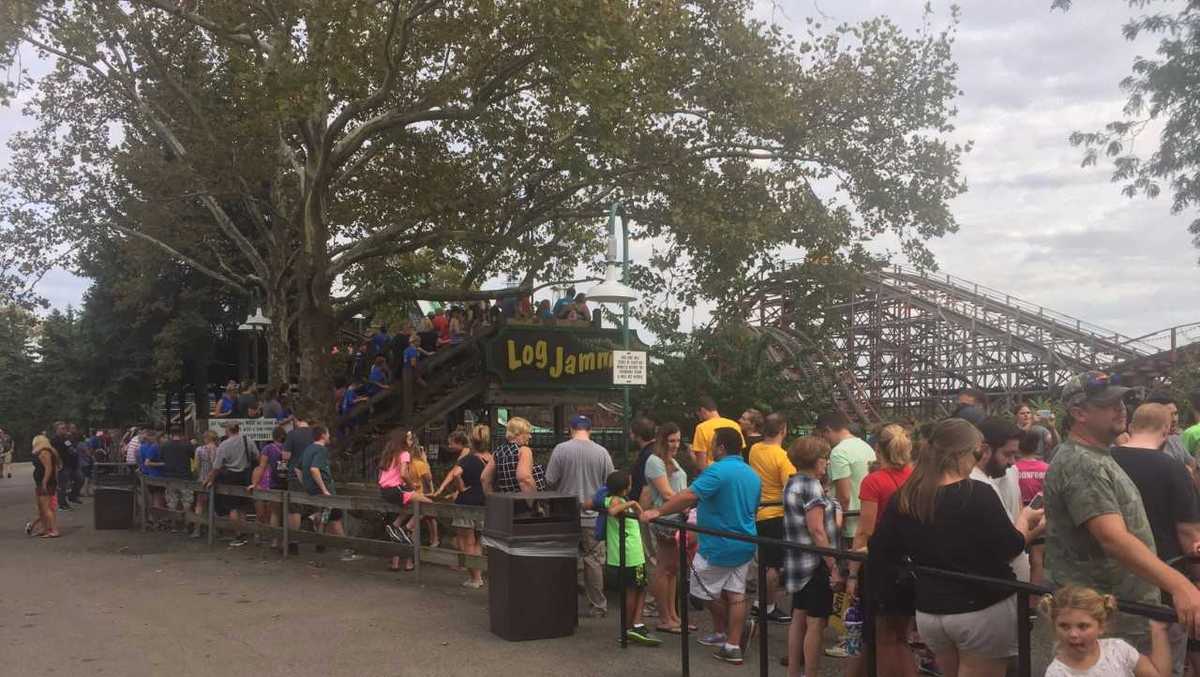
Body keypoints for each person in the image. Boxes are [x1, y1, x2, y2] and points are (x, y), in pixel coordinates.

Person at [871, 418, 1044, 677]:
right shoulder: (978, 493)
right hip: (982, 608)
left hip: (931, 611)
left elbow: (880, 547)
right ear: (962, 454)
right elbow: (1010, 546)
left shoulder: (907, 497)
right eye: (977, 453)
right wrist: (1026, 522)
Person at [1044, 371, 1200, 651]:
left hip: (1118, 615)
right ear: (1079, 413)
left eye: (1122, 401)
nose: (1120, 408)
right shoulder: (1082, 463)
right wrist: (1180, 585)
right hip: (1106, 620)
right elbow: (1112, 538)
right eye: (1107, 404)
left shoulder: (1099, 455)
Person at [641, 427, 761, 665]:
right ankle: (733, 643)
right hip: (746, 541)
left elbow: (688, 496)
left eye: (713, 444)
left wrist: (659, 511)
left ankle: (732, 629)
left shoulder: (716, 471)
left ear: (722, 447)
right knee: (736, 593)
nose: (710, 448)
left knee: (701, 590)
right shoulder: (751, 474)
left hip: (717, 543)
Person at [1111, 403, 1200, 675]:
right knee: (1165, 662)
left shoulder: (1105, 460)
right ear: (1168, 430)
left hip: (1113, 579)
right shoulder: (1172, 468)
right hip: (1165, 581)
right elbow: (1189, 534)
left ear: (1131, 426)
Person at [847, 424, 917, 677]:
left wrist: (852, 573)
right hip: (911, 561)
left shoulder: (873, 481)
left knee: (885, 638)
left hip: (881, 564)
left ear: (878, 450)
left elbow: (865, 531)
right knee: (897, 635)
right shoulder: (915, 477)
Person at [544, 415, 615, 617]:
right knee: (593, 561)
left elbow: (550, 480)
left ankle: (564, 603)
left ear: (571, 429)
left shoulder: (561, 450)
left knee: (565, 559)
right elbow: (610, 483)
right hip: (593, 517)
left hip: (565, 514)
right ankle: (598, 606)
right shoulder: (602, 453)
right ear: (590, 430)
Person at [782, 435, 841, 677]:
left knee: (798, 616)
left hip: (796, 562)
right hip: (814, 563)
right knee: (816, 622)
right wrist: (833, 564)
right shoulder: (812, 486)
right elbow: (817, 529)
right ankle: (812, 673)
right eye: (824, 459)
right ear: (815, 461)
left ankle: (794, 671)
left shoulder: (793, 482)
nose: (826, 463)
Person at [1041, 586, 1171, 677]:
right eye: (1064, 626)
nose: (1073, 634)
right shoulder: (1056, 673)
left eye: (1083, 626)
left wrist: (1158, 629)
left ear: (1101, 626)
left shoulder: (1118, 650)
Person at [639, 422, 690, 634]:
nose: (675, 444)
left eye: (678, 440)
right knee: (663, 568)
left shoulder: (672, 460)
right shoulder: (654, 461)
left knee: (673, 570)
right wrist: (686, 503)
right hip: (666, 519)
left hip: (678, 517)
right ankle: (665, 617)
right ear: (662, 440)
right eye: (671, 441)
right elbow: (668, 493)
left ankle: (673, 615)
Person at [603, 469, 662, 646]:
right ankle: (630, 626)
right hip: (631, 556)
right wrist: (634, 503)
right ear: (625, 487)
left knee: (639, 588)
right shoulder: (616, 501)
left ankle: (634, 623)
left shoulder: (612, 498)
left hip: (628, 554)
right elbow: (613, 511)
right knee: (634, 589)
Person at [747, 412, 796, 624]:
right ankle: (768, 605)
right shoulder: (782, 457)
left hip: (759, 511)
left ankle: (761, 602)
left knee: (765, 561)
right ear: (783, 430)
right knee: (774, 565)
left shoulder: (755, 449)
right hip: (776, 514)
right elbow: (791, 489)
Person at [432, 425, 491, 588]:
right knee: (478, 541)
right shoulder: (492, 459)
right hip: (484, 501)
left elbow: (456, 473)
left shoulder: (468, 459)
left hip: (467, 501)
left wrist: (461, 488)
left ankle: (475, 578)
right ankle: (479, 576)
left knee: (467, 541)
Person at [973, 417, 1030, 582]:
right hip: (1001, 582)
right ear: (985, 450)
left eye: (1015, 454)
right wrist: (1027, 521)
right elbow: (1007, 546)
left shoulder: (1006, 473)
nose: (1012, 462)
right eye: (1007, 454)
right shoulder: (980, 487)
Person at [815, 410, 876, 561]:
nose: (824, 440)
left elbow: (844, 496)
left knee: (847, 569)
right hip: (867, 519)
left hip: (850, 525)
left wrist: (839, 525)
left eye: (823, 435)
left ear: (828, 430)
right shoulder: (866, 446)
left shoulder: (838, 452)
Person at [299, 425, 361, 562]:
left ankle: (320, 542)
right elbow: (314, 469)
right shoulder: (321, 450)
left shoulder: (308, 449)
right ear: (322, 435)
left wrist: (305, 484)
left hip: (313, 490)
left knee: (326, 515)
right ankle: (346, 549)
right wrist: (324, 489)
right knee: (335, 518)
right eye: (327, 434)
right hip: (325, 491)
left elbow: (298, 468)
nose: (329, 436)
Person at [377, 428, 431, 572]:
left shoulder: (388, 454)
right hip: (396, 489)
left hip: (384, 491)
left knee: (412, 505)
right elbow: (403, 473)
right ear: (403, 441)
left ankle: (396, 525)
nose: (410, 441)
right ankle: (407, 528)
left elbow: (382, 476)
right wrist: (411, 485)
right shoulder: (404, 454)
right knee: (429, 504)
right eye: (408, 439)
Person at [205, 421, 255, 547]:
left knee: (233, 508)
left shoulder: (224, 445)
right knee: (243, 507)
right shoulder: (247, 440)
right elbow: (257, 456)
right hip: (245, 476)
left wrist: (210, 478)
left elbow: (217, 466)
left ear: (228, 430)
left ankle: (238, 534)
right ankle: (245, 533)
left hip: (230, 476)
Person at [249, 426, 285, 548]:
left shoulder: (269, 451)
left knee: (273, 514)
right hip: (265, 489)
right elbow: (256, 475)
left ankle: (273, 538)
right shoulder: (260, 468)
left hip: (272, 489)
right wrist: (255, 485)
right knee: (261, 514)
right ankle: (259, 535)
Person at [482, 417, 537, 494]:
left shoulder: (498, 452)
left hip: (505, 502)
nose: (530, 436)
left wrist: (492, 500)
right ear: (518, 434)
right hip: (523, 501)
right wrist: (533, 501)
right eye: (528, 433)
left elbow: (484, 478)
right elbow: (524, 478)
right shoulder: (524, 450)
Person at [691, 396, 744, 468]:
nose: (699, 418)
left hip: (714, 471)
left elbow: (701, 463)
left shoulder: (701, 428)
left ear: (703, 410)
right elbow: (740, 454)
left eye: (698, 414)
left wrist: (691, 454)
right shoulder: (734, 425)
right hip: (734, 469)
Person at [159, 429, 195, 533]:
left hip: (170, 477)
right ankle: (186, 525)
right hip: (185, 477)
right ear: (182, 435)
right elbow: (193, 456)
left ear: (171, 435)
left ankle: (173, 525)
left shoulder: (164, 446)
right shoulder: (186, 445)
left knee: (172, 502)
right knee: (187, 501)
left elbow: (162, 458)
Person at [26, 434, 60, 538]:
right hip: (43, 482)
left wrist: (44, 482)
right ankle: (45, 529)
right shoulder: (46, 451)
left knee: (46, 508)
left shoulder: (44, 452)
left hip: (45, 483)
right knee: (42, 508)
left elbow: (48, 468)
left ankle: (53, 530)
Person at [192, 431, 218, 539]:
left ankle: (197, 529)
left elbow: (196, 466)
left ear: (206, 438)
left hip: (203, 479)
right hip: (216, 479)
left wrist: (199, 475)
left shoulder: (200, 449)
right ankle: (214, 529)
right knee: (213, 505)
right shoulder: (219, 449)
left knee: (200, 504)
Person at [628, 417, 657, 511]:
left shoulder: (647, 456)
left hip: (644, 509)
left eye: (632, 433)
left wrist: (640, 513)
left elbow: (647, 488)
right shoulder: (654, 450)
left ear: (639, 436)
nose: (630, 436)